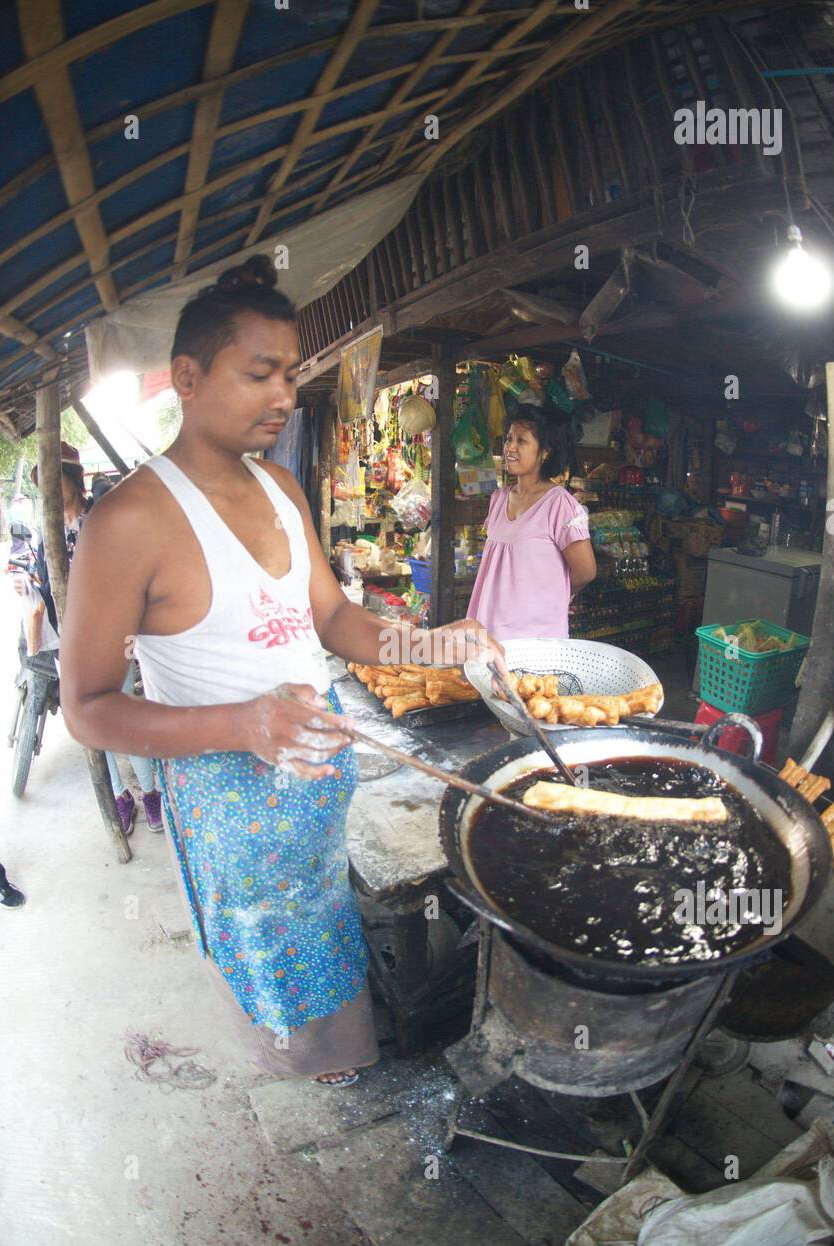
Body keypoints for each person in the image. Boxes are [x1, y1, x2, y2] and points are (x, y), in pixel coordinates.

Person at [60, 254, 503, 1088]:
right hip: (230, 794)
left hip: (317, 764)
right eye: (260, 373)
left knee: (324, 911)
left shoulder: (281, 490)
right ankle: (308, 1062)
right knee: (270, 950)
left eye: (289, 374)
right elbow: (87, 707)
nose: (284, 396)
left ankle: (338, 1042)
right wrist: (243, 724)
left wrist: (433, 644)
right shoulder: (129, 520)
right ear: (187, 377)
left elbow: (331, 618)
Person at [29, 448, 163, 833]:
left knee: (120, 718)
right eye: (44, 486)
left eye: (57, 481)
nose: (50, 492)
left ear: (75, 480)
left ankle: (150, 793)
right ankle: (120, 795)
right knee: (88, 725)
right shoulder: (46, 533)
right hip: (68, 645)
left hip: (109, 638)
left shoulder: (98, 522)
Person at [467, 406, 596, 640]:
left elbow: (585, 570)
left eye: (521, 441)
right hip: (490, 628)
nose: (510, 448)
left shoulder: (559, 504)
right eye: (508, 439)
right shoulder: (498, 499)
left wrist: (559, 595)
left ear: (544, 452)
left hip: (535, 636)